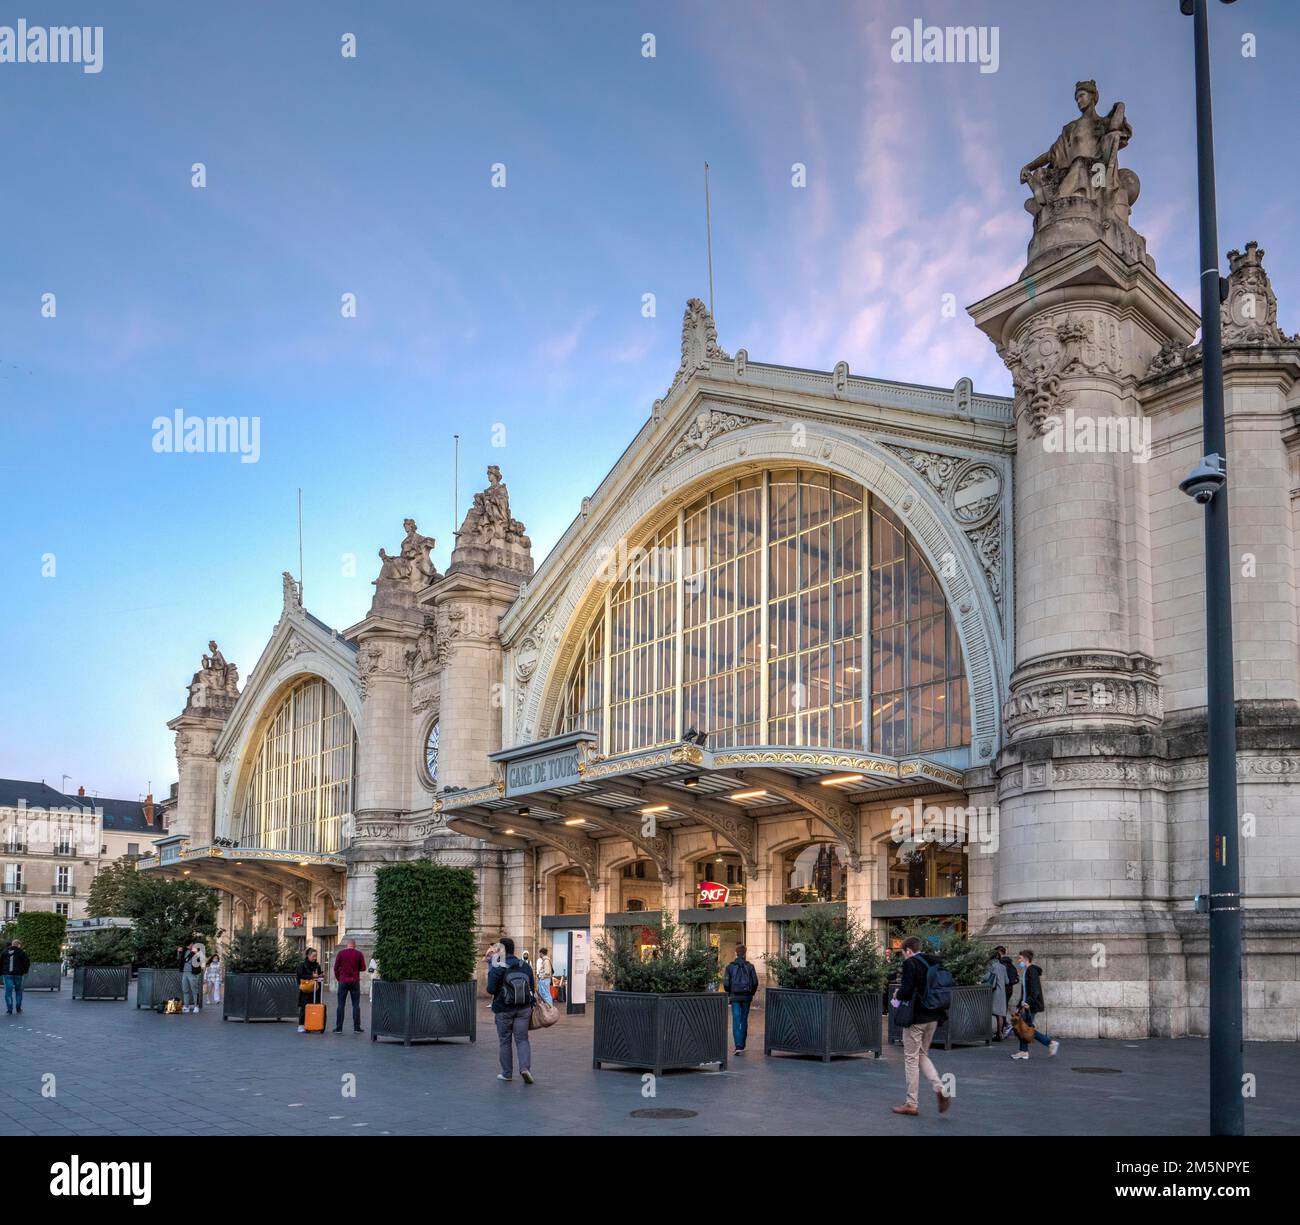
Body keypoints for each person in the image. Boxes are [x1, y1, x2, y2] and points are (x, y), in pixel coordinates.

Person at [890, 936, 952, 1116]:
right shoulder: (934, 962)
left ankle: (911, 1103)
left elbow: (907, 990)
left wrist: (897, 994)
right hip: (933, 1015)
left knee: (911, 1058)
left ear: (908, 951)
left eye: (903, 954)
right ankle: (940, 1087)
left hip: (916, 1018)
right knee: (922, 1054)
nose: (904, 957)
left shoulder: (911, 963)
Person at [487, 936, 535, 1084]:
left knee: (505, 1041)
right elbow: (531, 987)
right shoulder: (524, 965)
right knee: (522, 1039)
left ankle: (507, 1073)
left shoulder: (499, 966)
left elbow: (490, 989)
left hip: (503, 1009)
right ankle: (525, 1068)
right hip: (524, 1008)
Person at [1011, 949, 1060, 1060]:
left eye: (1020, 958)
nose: (1018, 961)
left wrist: (1028, 1002)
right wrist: (1021, 1004)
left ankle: (1049, 1043)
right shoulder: (1027, 971)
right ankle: (1023, 1051)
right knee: (1024, 1027)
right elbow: (1026, 991)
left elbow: (1035, 989)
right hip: (1027, 1004)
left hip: (1030, 1005)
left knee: (1026, 1028)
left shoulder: (1031, 971)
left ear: (1026, 959)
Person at [722, 944, 758, 1054]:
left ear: (736, 953)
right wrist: (751, 993)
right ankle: (742, 1045)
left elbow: (726, 983)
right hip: (746, 996)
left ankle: (738, 1046)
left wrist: (729, 994)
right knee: (744, 1019)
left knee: (736, 1020)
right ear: (745, 953)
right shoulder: (750, 966)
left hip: (735, 997)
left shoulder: (730, 967)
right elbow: (755, 982)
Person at [332, 939, 366, 1033]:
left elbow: (335, 968)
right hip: (354, 981)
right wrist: (355, 968)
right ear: (354, 945)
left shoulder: (341, 953)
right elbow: (363, 968)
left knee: (340, 1005)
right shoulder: (359, 954)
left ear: (347, 945)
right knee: (356, 1005)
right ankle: (357, 1028)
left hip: (343, 981)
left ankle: (339, 1028)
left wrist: (339, 978)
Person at [296, 948, 324, 1033]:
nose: (315, 958)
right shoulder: (302, 965)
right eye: (313, 956)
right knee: (304, 1007)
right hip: (305, 990)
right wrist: (312, 977)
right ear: (308, 955)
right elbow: (300, 976)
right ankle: (301, 1025)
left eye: (316, 956)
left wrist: (320, 976)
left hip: (315, 990)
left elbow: (317, 976)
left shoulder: (317, 965)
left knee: (314, 1006)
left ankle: (312, 1024)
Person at [2, 939, 30, 1014]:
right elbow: (27, 962)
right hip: (18, 974)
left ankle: (9, 1009)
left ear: (12, 944)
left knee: (8, 992)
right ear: (19, 945)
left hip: (7, 974)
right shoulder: (21, 952)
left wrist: (2, 972)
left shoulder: (4, 952)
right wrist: (24, 971)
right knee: (18, 991)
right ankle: (18, 1008)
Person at [985, 953, 1009, 1041]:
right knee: (1000, 1014)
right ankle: (999, 1034)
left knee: (989, 1013)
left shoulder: (991, 966)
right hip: (1002, 993)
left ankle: (987, 1033)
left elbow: (986, 977)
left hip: (993, 992)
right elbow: (1007, 981)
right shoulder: (1003, 967)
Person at [996, 945, 1018, 1037]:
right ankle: (1003, 1028)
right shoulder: (1010, 963)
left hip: (1002, 989)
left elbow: (1004, 979)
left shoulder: (1001, 964)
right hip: (1009, 989)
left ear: (1000, 953)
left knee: (1000, 1010)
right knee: (1003, 1009)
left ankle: (1003, 1028)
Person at [181, 941, 205, 1014]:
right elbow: (180, 960)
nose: (192, 945)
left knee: (194, 990)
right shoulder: (184, 951)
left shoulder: (197, 952)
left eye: (193, 944)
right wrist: (178, 952)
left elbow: (202, 961)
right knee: (185, 990)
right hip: (184, 972)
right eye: (191, 944)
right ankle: (186, 1006)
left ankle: (196, 1006)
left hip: (192, 973)